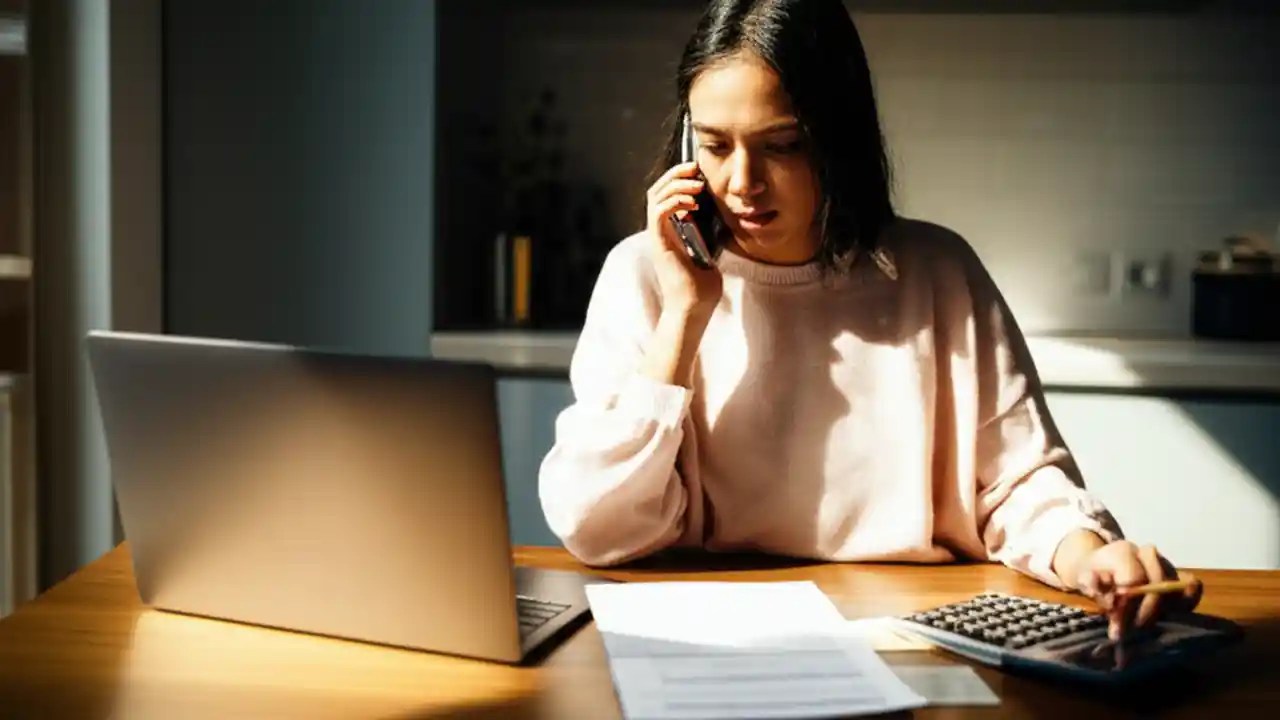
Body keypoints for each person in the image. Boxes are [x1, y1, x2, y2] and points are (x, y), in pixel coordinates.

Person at [537, 0, 1201, 640]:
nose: (742, 181)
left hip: (917, 624)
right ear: (687, 140)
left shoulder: (937, 271)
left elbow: (1021, 483)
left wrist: (1087, 556)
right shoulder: (644, 274)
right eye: (714, 145)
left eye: (783, 144)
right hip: (708, 629)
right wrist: (685, 317)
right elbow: (598, 528)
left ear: (837, 139)